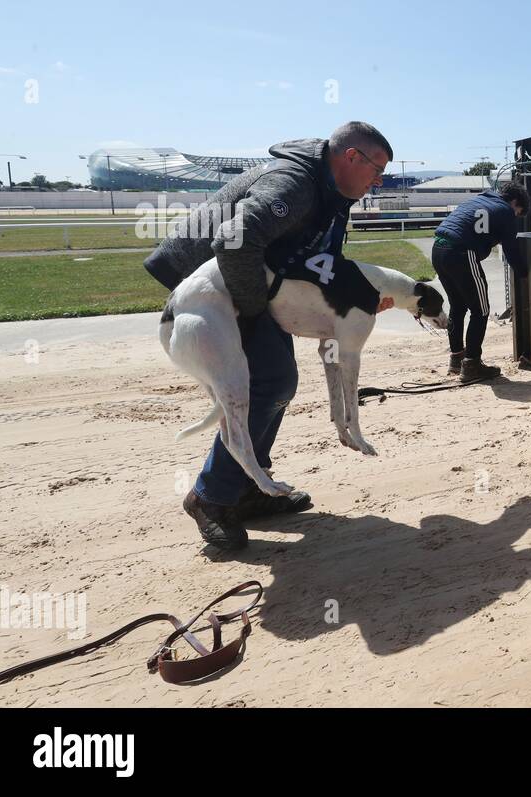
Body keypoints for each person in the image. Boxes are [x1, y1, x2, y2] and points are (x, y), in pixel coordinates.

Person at [144, 121, 393, 550]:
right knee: (270, 381)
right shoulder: (294, 182)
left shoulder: (334, 191)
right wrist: (256, 313)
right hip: (212, 287)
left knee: (277, 382)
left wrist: (357, 297)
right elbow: (235, 242)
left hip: (243, 282)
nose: (379, 180)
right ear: (351, 157)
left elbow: (314, 257)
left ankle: (245, 487)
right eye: (377, 169)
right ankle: (211, 497)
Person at [430, 182, 529, 381]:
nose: (516, 217)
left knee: (458, 306)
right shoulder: (506, 211)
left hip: (439, 249)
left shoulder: (480, 199)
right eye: (519, 212)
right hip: (462, 252)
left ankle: (456, 359)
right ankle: (472, 365)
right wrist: (525, 273)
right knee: (481, 309)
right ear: (515, 202)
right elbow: (511, 250)